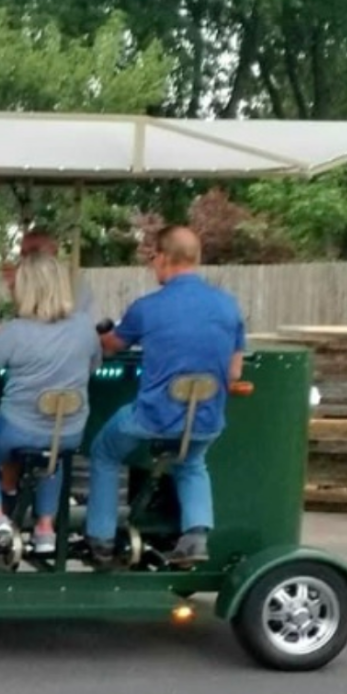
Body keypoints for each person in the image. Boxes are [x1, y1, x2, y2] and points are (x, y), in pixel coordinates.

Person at [84, 225, 245, 569]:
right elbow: (234, 373)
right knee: (191, 462)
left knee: (104, 452)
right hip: (206, 420)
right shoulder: (229, 307)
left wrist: (103, 332)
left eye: (152, 259)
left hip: (151, 418)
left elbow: (111, 347)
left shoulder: (147, 308)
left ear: (162, 258)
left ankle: (101, 539)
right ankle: (195, 537)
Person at [0, 252, 102, 555]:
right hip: (69, 431)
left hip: (17, 428)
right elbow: (93, 365)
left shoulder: (15, 331)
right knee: (54, 456)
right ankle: (45, 529)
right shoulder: (84, 327)